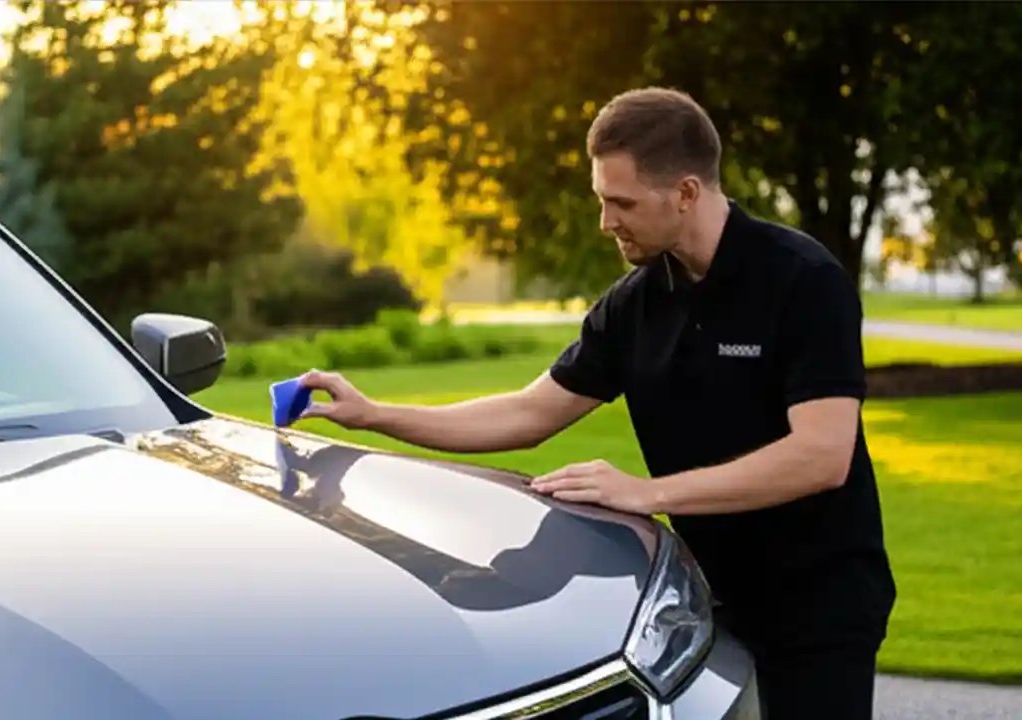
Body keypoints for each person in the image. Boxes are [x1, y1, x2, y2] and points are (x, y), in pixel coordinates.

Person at [292, 86, 896, 719]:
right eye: (602, 200)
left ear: (686, 193)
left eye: (621, 203)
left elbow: (822, 455)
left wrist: (648, 493)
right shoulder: (635, 303)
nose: (606, 222)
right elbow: (530, 413)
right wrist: (376, 413)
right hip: (701, 601)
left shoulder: (804, 280)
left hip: (819, 605)